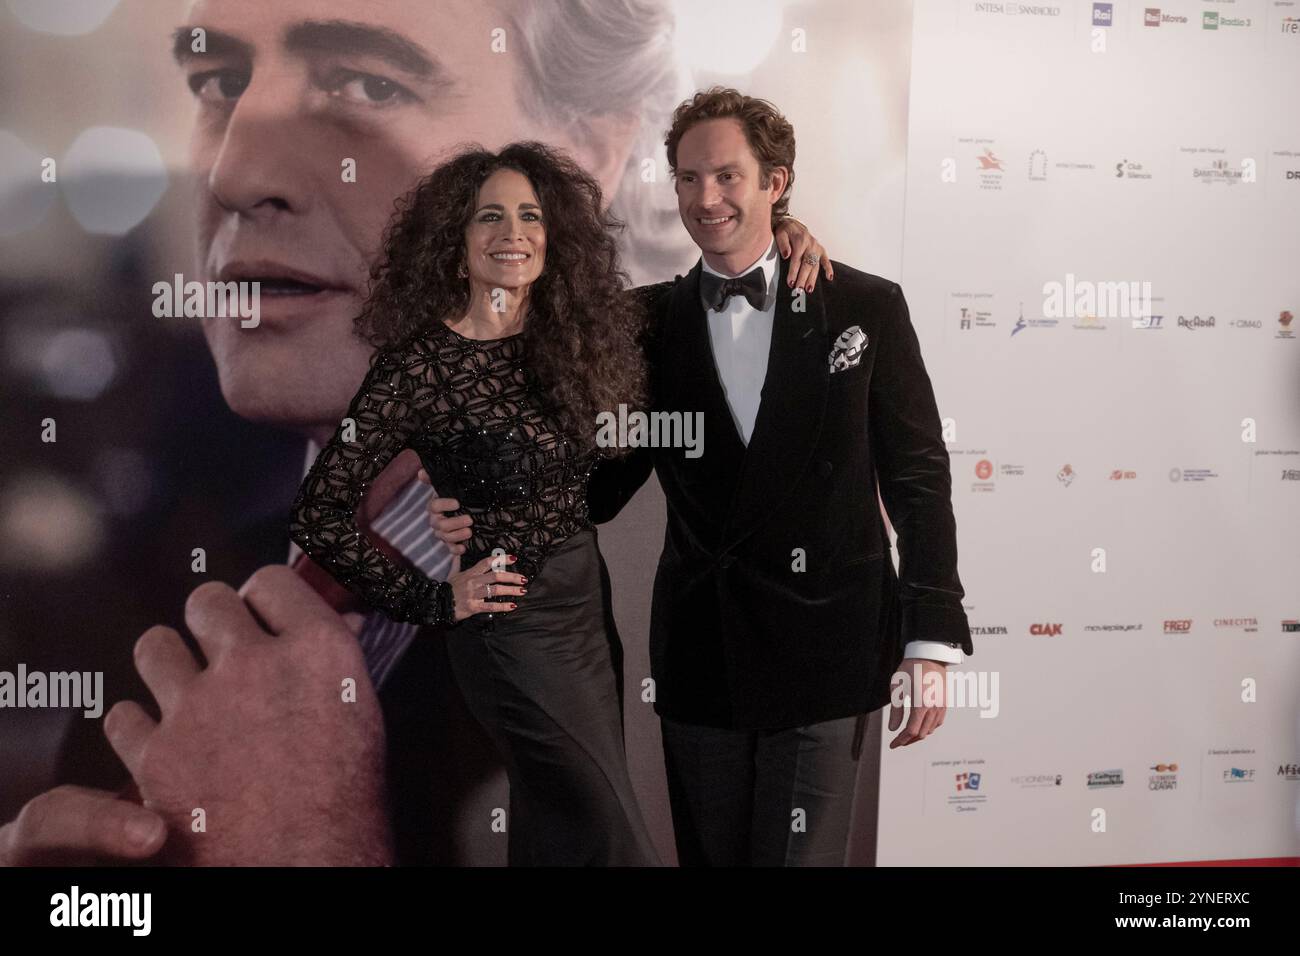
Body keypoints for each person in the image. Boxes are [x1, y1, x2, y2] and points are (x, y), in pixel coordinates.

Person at [0, 1, 829, 865]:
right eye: (221, 83)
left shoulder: (747, 611)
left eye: (367, 83)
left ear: (584, 159)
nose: (232, 174)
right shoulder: (180, 621)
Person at [428, 88, 975, 867]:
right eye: (687, 178)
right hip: (701, 657)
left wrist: (930, 639)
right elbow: (600, 486)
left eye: (726, 177)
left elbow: (919, 478)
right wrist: (487, 513)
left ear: (774, 183)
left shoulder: (865, 306)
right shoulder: (641, 323)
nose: (704, 198)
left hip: (828, 650)